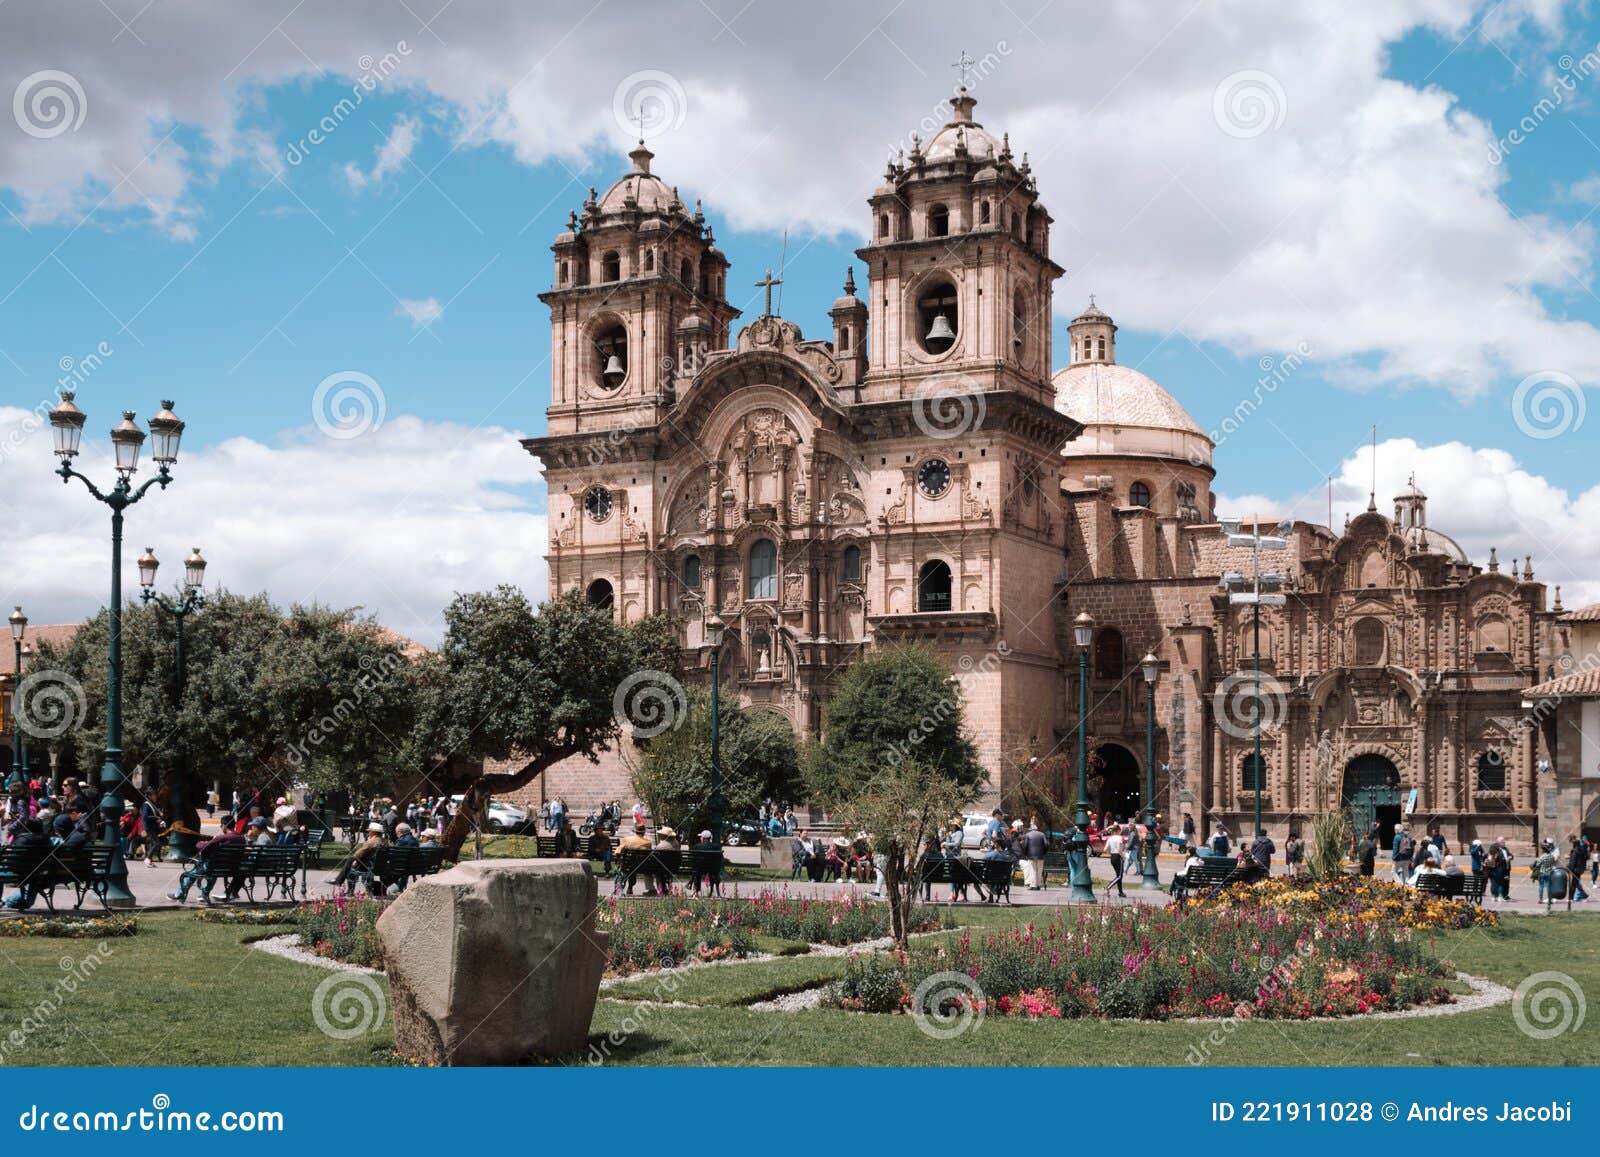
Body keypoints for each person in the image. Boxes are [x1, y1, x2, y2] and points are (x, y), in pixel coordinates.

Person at [168, 816, 246, 904]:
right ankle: (204, 893)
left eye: (221, 825)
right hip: (232, 868)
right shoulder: (241, 838)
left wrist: (210, 840)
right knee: (207, 870)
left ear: (224, 825)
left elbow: (200, 846)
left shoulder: (223, 837)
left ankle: (179, 894)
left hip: (214, 867)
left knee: (195, 872)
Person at [0, 818, 51, 910]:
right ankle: (19, 901)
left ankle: (4, 900)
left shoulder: (21, 839)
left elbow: (11, 857)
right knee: (32, 881)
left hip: (18, 871)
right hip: (38, 872)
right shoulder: (47, 839)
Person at [330, 822, 385, 894]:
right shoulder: (384, 842)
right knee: (352, 861)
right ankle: (339, 880)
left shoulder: (371, 842)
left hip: (368, 866)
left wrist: (356, 860)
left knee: (350, 861)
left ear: (373, 832)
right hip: (380, 866)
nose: (368, 832)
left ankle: (343, 884)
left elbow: (358, 854)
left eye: (369, 831)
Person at [617, 823, 652, 895]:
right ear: (644, 832)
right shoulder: (648, 842)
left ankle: (621, 888)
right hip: (642, 867)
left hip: (628, 864)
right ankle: (630, 887)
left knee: (627, 867)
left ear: (635, 831)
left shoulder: (627, 839)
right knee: (634, 866)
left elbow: (618, 852)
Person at [1022, 822, 1048, 891]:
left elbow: (1025, 846)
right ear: (1037, 829)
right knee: (1039, 870)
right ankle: (1038, 885)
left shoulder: (1027, 835)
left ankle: (1033, 885)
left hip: (1031, 855)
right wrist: (1044, 852)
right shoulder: (1042, 834)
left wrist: (1026, 854)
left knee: (1032, 870)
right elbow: (1046, 844)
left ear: (1031, 829)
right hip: (1041, 855)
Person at [1103, 825, 1126, 898]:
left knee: (1118, 876)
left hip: (1113, 857)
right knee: (1119, 876)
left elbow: (1105, 849)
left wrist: (1111, 853)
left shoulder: (1110, 838)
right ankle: (1108, 886)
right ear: (1118, 831)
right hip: (1118, 857)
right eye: (1120, 830)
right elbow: (1119, 849)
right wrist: (1123, 856)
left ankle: (1120, 892)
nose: (1121, 832)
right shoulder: (1119, 838)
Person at [1567, 835, 1589, 902]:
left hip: (1575, 869)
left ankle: (1572, 898)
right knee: (1575, 883)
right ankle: (1574, 897)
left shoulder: (1575, 851)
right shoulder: (1581, 850)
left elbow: (1573, 861)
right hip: (1579, 869)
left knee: (1574, 884)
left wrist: (1569, 867)